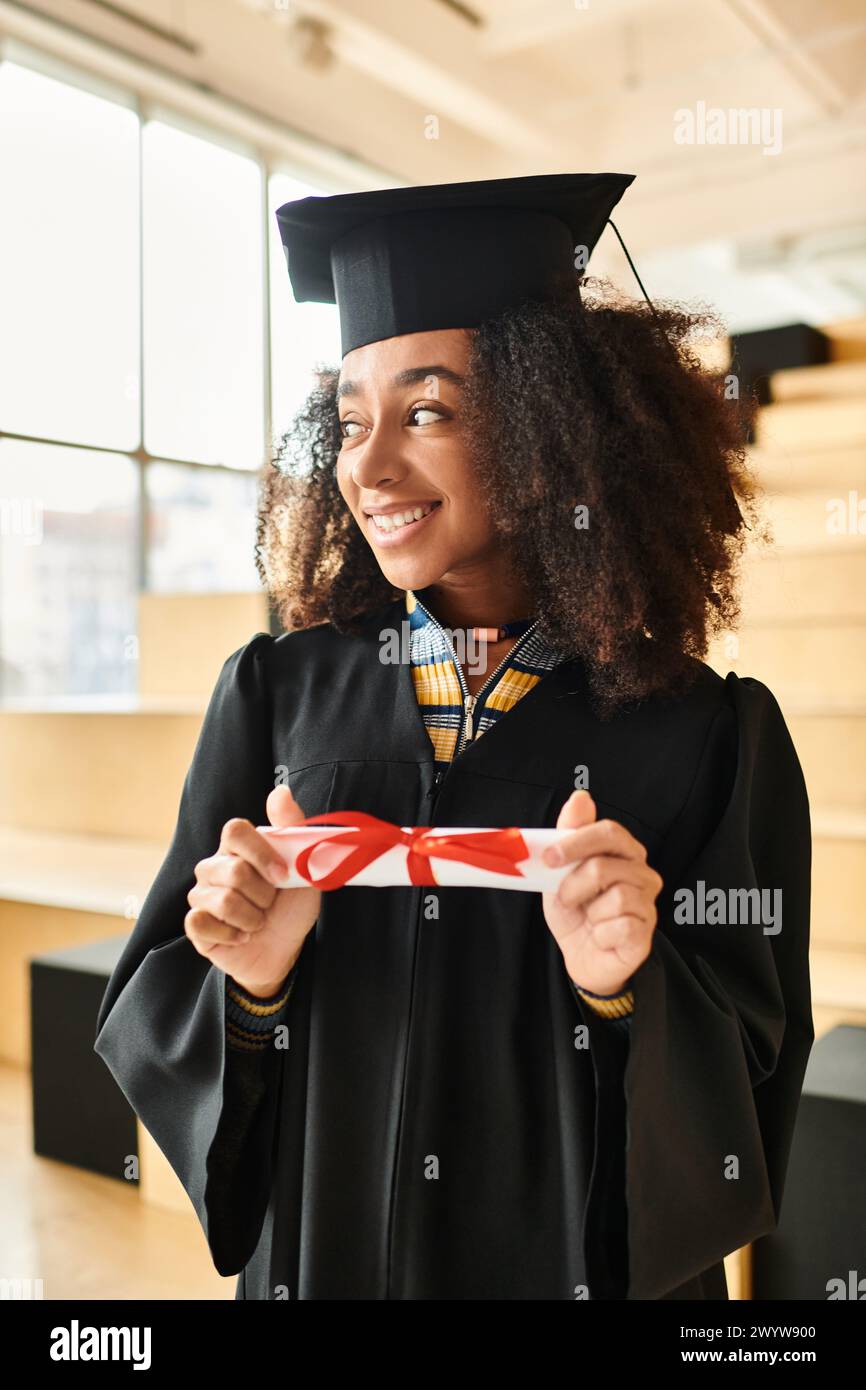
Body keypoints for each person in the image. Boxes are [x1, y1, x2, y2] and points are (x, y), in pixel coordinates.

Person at [94, 172, 813, 1301]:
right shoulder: (277, 694)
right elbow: (155, 998)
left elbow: (752, 1072)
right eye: (349, 420)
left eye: (427, 410)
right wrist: (252, 981)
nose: (369, 467)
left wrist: (627, 990)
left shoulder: (706, 733)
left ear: (551, 429)